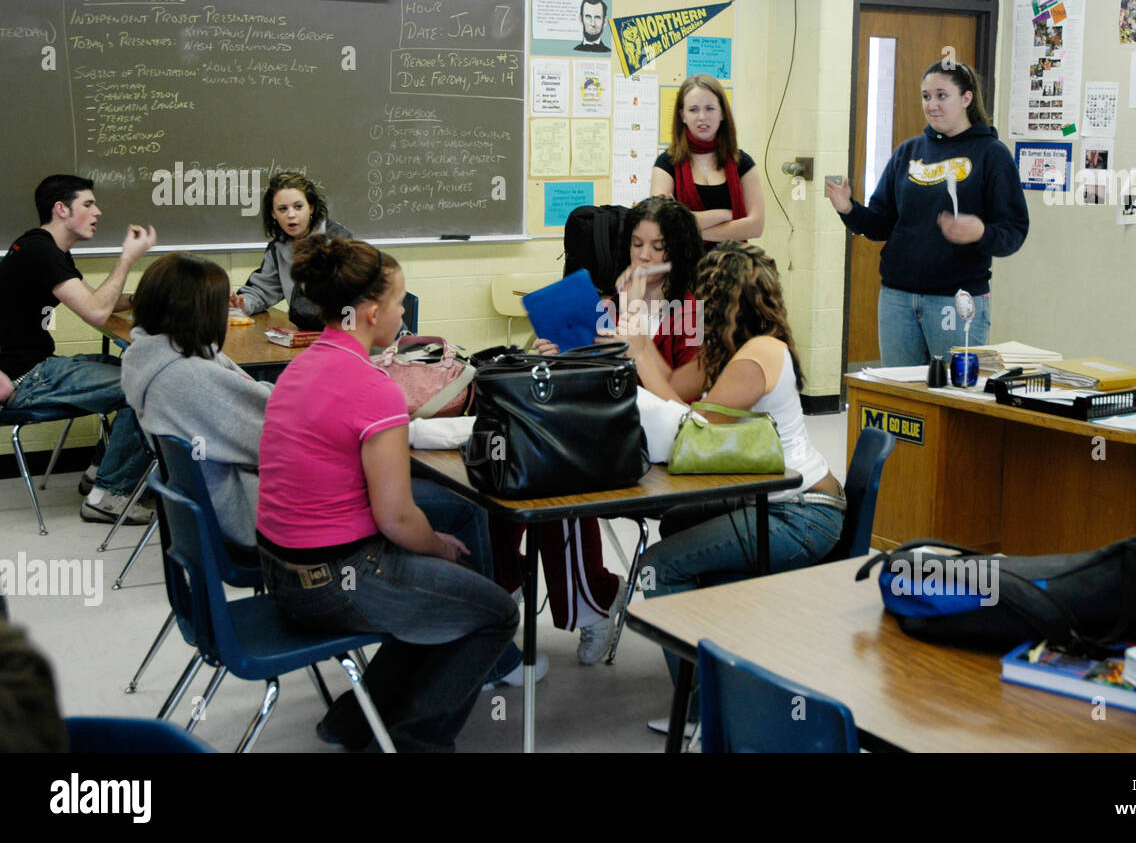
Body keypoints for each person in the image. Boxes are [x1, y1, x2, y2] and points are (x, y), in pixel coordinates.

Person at [255, 235, 518, 752]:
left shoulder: (300, 366)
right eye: (400, 301)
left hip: (279, 572)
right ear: (372, 311)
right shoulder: (374, 388)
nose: (403, 312)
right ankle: (410, 743)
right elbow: (397, 518)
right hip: (334, 582)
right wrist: (437, 546)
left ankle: (353, 724)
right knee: (495, 613)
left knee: (444, 590)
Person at [629, 242, 844, 722]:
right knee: (677, 525)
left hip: (801, 514)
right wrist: (639, 340)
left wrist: (640, 344)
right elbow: (669, 389)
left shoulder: (756, 357)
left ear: (719, 301)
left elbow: (689, 433)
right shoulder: (732, 350)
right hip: (783, 503)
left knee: (658, 566)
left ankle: (707, 713)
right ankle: (722, 674)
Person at [520, 196, 705, 664]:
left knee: (561, 482)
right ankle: (507, 606)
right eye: (637, 245)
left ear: (678, 252)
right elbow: (586, 381)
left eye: (658, 248)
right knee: (529, 478)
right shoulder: (607, 303)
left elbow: (678, 403)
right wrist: (558, 358)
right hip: (608, 433)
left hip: (668, 448)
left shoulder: (692, 312)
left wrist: (637, 335)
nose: (644, 257)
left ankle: (593, 602)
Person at [826, 61, 1029, 366]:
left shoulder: (992, 154)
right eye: (925, 96)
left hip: (956, 299)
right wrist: (848, 209)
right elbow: (882, 224)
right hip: (898, 297)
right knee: (902, 400)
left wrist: (981, 233)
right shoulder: (909, 152)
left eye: (941, 96)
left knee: (953, 395)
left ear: (966, 99)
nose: (931, 105)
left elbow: (1013, 231)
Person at [0, 174, 157, 525]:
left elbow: (99, 301)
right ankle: (108, 495)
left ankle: (100, 471)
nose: (97, 212)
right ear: (61, 209)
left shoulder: (45, 250)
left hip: (37, 368)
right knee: (147, 385)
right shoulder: (42, 250)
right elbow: (97, 312)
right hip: (30, 378)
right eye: (88, 204)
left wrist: (153, 297)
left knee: (122, 365)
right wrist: (127, 259)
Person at [121, 253, 272, 548]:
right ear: (198, 311)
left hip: (212, 506)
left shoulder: (155, 353)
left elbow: (249, 394)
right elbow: (272, 436)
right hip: (243, 514)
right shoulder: (187, 374)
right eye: (220, 305)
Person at [231, 172, 351, 330]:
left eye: (298, 207)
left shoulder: (339, 241)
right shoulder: (278, 248)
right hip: (306, 331)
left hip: (344, 332)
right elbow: (262, 290)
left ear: (311, 207)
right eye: (282, 209)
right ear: (273, 214)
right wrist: (241, 304)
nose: (291, 215)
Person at [651, 74, 764, 242]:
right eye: (693, 109)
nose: (702, 117)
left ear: (722, 113)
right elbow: (660, 224)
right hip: (684, 265)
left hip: (733, 264)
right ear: (682, 116)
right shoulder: (667, 163)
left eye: (710, 108)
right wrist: (726, 214)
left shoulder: (742, 162)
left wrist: (687, 227)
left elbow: (755, 227)